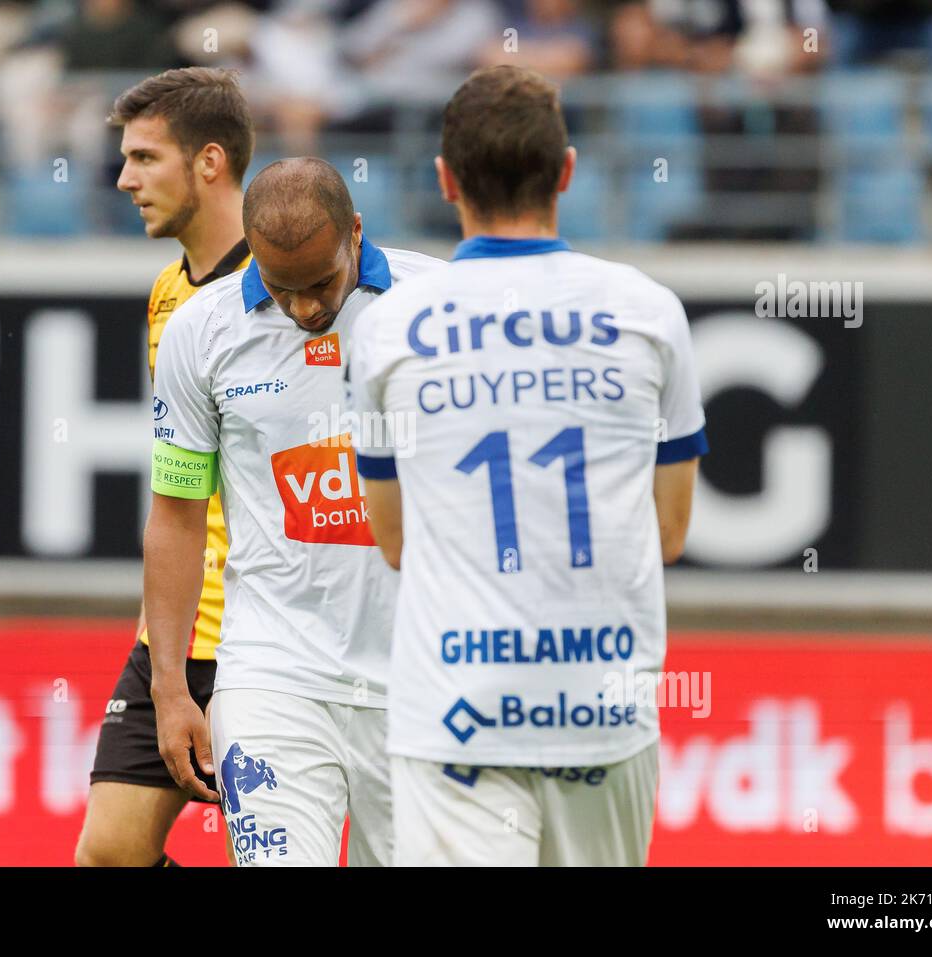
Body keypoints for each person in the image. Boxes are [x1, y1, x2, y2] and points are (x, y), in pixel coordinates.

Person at [348, 65, 708, 866]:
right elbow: (670, 531)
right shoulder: (649, 311)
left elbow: (394, 542)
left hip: (455, 709)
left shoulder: (390, 326)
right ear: (567, 171)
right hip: (602, 708)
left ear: (445, 180)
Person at [146, 158, 441, 866]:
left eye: (321, 284)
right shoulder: (199, 331)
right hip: (272, 676)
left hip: (424, 684)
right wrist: (169, 687)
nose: (306, 308)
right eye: (283, 289)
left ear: (356, 233)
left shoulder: (441, 308)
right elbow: (177, 517)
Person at [74, 67, 253, 868]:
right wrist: (167, 660)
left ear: (209, 162)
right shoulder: (166, 294)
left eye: (145, 157)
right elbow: (179, 489)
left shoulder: (289, 286)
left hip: (271, 629)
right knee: (110, 852)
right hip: (179, 634)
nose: (125, 179)